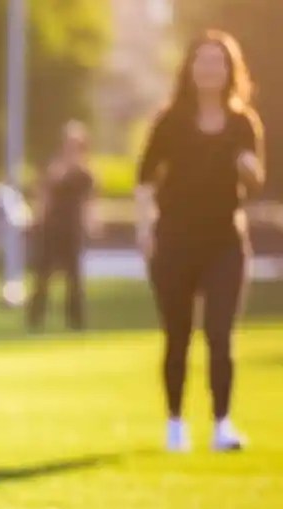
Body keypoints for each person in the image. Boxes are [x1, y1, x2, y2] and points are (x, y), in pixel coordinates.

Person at [136, 30, 265, 452]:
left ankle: (222, 424)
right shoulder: (170, 120)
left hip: (225, 240)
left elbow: (256, 178)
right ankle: (175, 423)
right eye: (203, 61)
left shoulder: (243, 122)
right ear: (190, 69)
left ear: (230, 70)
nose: (210, 69)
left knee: (220, 334)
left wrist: (248, 167)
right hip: (175, 238)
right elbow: (144, 177)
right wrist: (144, 228)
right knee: (177, 335)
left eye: (218, 62)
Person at [28, 121, 97, 332]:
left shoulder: (85, 174)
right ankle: (35, 318)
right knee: (43, 275)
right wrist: (38, 219)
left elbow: (89, 201)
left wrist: (91, 223)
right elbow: (44, 195)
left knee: (74, 278)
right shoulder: (54, 168)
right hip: (51, 228)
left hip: (72, 229)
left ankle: (75, 320)